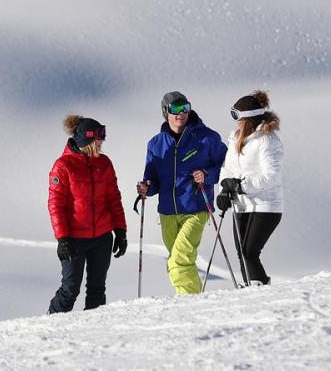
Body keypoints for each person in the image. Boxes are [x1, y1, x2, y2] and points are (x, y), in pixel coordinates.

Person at [136, 91, 226, 294]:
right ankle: (194, 299)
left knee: (179, 259)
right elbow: (152, 178)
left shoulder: (208, 138)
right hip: (168, 212)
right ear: (165, 112)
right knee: (180, 260)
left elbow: (227, 166)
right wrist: (146, 187)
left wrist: (207, 175)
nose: (181, 113)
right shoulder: (156, 143)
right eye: (176, 109)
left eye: (185, 108)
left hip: (196, 207)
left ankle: (187, 302)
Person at [48, 115, 128, 313]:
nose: (102, 143)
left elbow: (113, 198)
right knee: (70, 290)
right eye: (99, 139)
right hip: (74, 239)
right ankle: (50, 323)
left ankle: (93, 329)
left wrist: (120, 230)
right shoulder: (63, 166)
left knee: (97, 290)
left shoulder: (104, 163)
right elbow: (55, 205)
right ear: (87, 139)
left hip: (102, 238)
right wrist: (62, 239)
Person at [217, 90, 284, 286]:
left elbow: (271, 176)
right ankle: (251, 287)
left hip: (265, 205)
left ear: (248, 117)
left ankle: (259, 288)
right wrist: (224, 189)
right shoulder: (235, 137)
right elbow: (228, 168)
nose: (235, 120)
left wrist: (240, 186)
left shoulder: (267, 140)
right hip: (241, 204)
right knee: (242, 253)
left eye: (236, 115)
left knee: (249, 252)